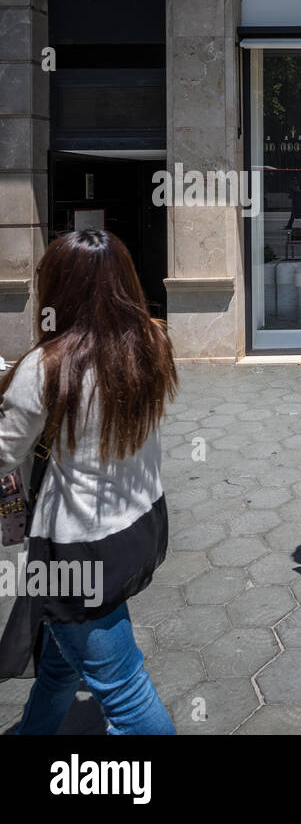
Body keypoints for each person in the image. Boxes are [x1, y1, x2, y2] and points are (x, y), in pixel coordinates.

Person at [0, 230, 176, 733]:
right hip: (141, 524)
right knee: (58, 667)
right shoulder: (150, 340)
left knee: (126, 695)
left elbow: (4, 452)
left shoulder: (47, 365)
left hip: (78, 551)